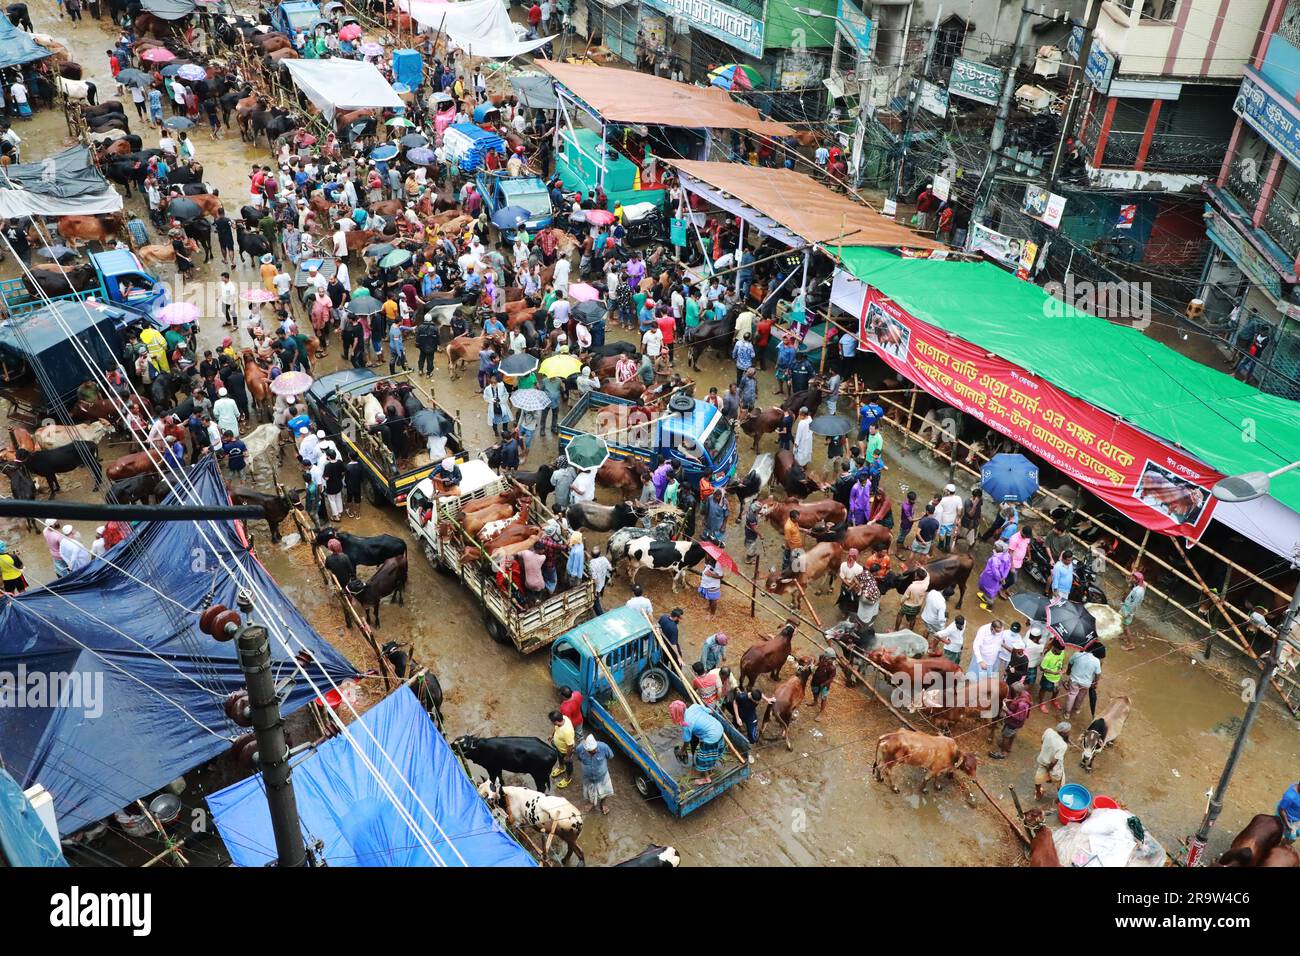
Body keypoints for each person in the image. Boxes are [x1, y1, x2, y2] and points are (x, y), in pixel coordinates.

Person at [670, 700, 727, 786]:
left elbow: (687, 741)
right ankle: (712, 763)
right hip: (718, 727)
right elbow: (710, 711)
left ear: (676, 714)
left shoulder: (686, 723)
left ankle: (706, 779)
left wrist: (682, 750)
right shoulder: (694, 706)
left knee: (702, 758)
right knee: (714, 750)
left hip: (711, 736)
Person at [576, 735, 614, 815]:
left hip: (603, 776)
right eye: (592, 751)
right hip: (588, 778)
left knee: (605, 792)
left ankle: (603, 803)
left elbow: (610, 756)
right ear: (586, 749)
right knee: (589, 792)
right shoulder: (579, 749)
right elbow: (579, 758)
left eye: (596, 749)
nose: (596, 750)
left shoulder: (604, 747)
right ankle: (591, 803)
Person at [989, 687, 1031, 759]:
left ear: (1017, 692)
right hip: (1015, 723)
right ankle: (1008, 747)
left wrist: (1007, 710)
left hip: (1013, 723)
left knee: (1006, 736)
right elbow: (1017, 700)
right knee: (1012, 734)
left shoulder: (1022, 705)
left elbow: (1019, 717)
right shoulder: (1025, 694)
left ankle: (1002, 753)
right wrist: (1010, 700)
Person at [1034, 722, 1072, 801]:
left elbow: (1042, 741)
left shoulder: (1049, 731)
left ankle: (1038, 794)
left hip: (1042, 762)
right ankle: (1059, 799)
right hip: (1054, 767)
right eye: (1068, 732)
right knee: (1060, 782)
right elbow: (1054, 761)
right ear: (1064, 733)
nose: (1070, 733)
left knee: (1038, 779)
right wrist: (1049, 770)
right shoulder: (1063, 745)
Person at [1063, 645, 1100, 716]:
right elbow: (1098, 674)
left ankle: (1067, 713)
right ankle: (1077, 709)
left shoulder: (1077, 655)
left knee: (1072, 695)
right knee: (1081, 696)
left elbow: (1070, 664)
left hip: (1074, 680)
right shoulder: (1096, 660)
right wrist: (1095, 683)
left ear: (1084, 647)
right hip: (1086, 683)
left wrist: (1068, 672)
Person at [977, 540, 1012, 610]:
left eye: (995, 546)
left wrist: (1000, 578)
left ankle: (989, 607)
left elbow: (995, 572)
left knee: (989, 592)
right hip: (997, 579)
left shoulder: (995, 559)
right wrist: (1003, 577)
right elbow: (1008, 567)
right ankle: (984, 597)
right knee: (991, 590)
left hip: (990, 578)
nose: (994, 547)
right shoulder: (1007, 556)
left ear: (1000, 549)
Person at [1037, 638, 1066, 713]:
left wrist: (1062, 668)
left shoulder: (1062, 652)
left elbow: (1062, 661)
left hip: (1057, 678)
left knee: (1057, 690)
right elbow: (1042, 668)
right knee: (1044, 689)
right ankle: (1041, 703)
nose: (1061, 652)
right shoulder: (1048, 657)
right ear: (1055, 648)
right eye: (1059, 651)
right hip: (1048, 678)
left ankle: (1053, 700)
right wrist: (1053, 673)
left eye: (1061, 650)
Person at [1119, 571, 1146, 648]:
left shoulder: (1139, 592)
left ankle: (1131, 644)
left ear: (1138, 580)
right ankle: (1123, 635)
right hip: (1126, 607)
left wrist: (1128, 613)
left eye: (1134, 578)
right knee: (1122, 622)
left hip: (1128, 610)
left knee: (1126, 626)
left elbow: (1134, 604)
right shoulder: (1137, 587)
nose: (1132, 578)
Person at [549, 710, 575, 788]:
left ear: (556, 721)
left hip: (566, 751)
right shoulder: (563, 718)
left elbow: (570, 745)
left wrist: (567, 757)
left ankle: (568, 778)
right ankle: (561, 768)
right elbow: (556, 727)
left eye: (552, 721)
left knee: (568, 763)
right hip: (559, 748)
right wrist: (552, 735)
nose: (551, 722)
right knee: (560, 758)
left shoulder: (567, 731)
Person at [810, 648, 837, 721]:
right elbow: (818, 663)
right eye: (829, 658)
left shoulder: (832, 667)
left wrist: (824, 684)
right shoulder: (822, 657)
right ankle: (815, 701)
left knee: (823, 697)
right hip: (816, 680)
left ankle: (821, 712)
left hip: (824, 684)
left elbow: (831, 679)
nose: (831, 660)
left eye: (832, 659)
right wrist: (813, 665)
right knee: (814, 691)